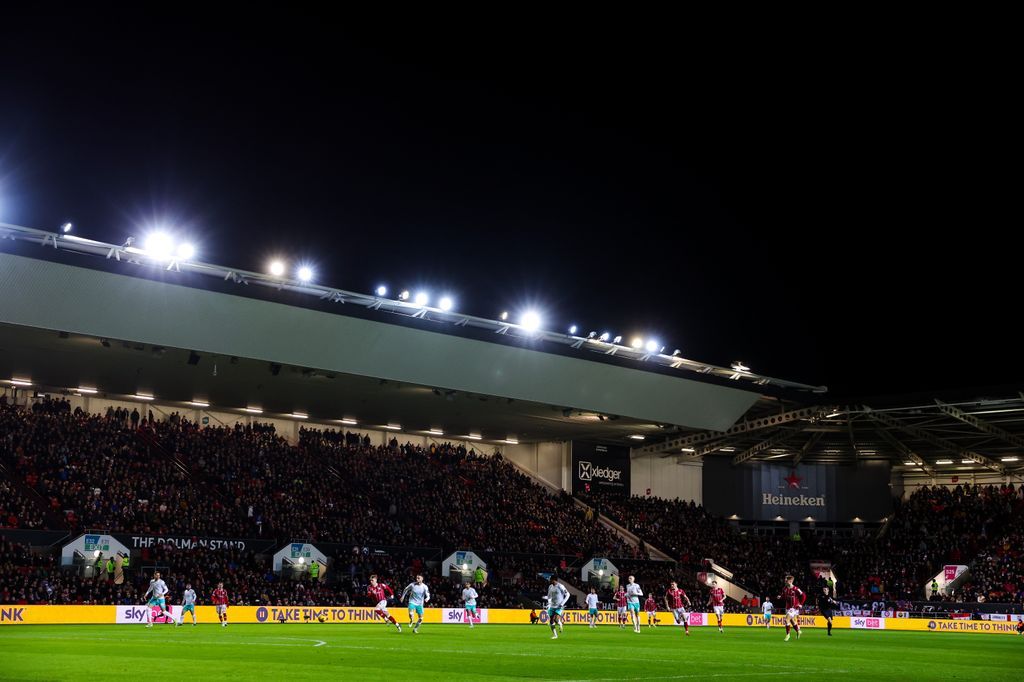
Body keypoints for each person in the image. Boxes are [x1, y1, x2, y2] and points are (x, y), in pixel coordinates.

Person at [782, 574, 807, 642]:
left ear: (790, 581)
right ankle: (798, 631)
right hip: (788, 607)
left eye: (786, 580)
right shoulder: (784, 589)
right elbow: (783, 596)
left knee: (786, 620)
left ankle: (788, 635)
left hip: (794, 608)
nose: (785, 581)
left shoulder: (796, 589)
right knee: (792, 621)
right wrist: (780, 596)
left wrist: (801, 604)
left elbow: (804, 596)